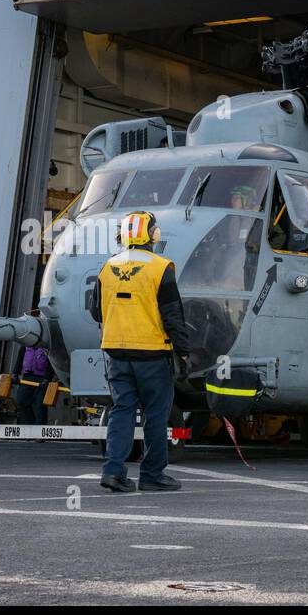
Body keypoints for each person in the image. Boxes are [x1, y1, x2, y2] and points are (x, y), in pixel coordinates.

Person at [92, 211, 190, 493]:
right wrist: (183, 351)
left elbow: (96, 311)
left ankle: (113, 472)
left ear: (123, 236)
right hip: (152, 353)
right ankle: (152, 475)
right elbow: (173, 315)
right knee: (156, 416)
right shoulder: (161, 268)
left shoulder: (107, 267)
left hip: (116, 352)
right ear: (154, 235)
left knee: (122, 411)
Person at [15, 345, 53, 426]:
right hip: (27, 378)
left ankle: (39, 433)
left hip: (41, 380)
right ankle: (28, 429)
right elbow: (20, 359)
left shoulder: (47, 347)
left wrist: (47, 379)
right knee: (21, 401)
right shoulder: (24, 346)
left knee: (40, 407)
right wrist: (15, 374)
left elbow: (51, 363)